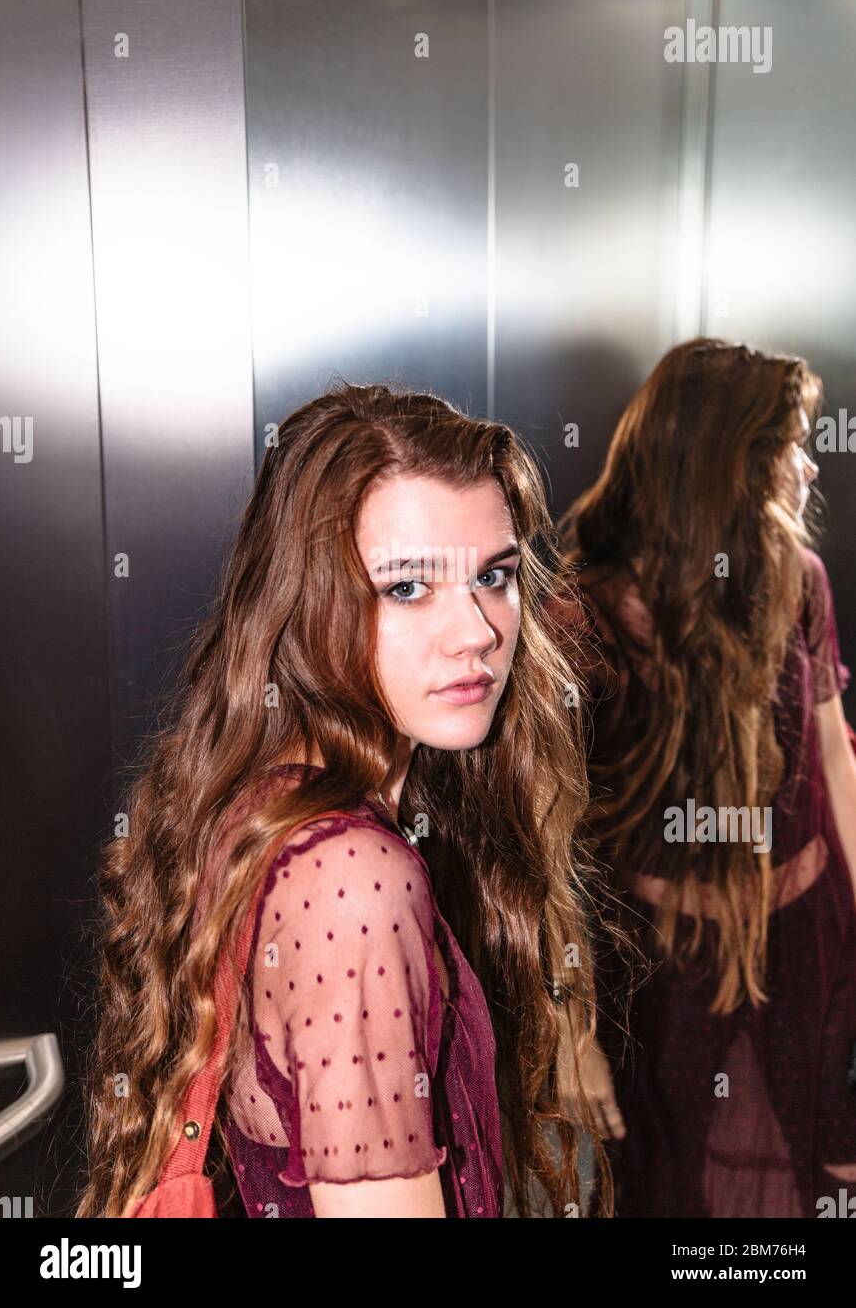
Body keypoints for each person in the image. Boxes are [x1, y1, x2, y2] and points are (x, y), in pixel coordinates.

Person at [76, 380, 613, 1219]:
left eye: (495, 576)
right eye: (407, 587)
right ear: (307, 600)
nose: (477, 629)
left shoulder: (257, 806)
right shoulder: (352, 877)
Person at [549, 338, 856, 1218]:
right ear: (730, 460)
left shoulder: (800, 582)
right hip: (658, 967)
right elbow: (544, 838)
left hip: (806, 939)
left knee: (805, 1183)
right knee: (671, 1185)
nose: (808, 463)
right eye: (789, 443)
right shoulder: (586, 613)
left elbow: (837, 762)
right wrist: (570, 1026)